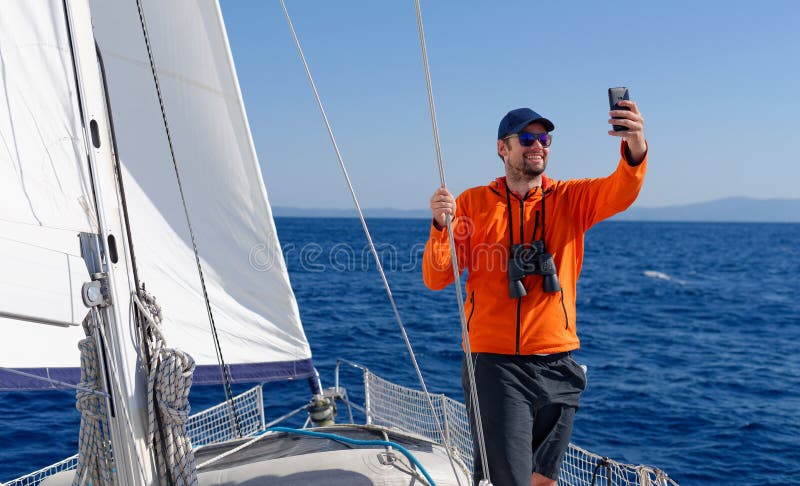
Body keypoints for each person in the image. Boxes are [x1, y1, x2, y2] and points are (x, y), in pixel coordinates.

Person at [422, 100, 647, 486]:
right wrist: (440, 227)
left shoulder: (570, 199)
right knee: (510, 480)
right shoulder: (473, 204)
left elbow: (621, 190)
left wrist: (635, 145)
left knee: (544, 480)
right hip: (496, 366)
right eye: (526, 138)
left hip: (558, 362)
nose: (538, 145)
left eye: (544, 138)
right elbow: (438, 276)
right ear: (502, 148)